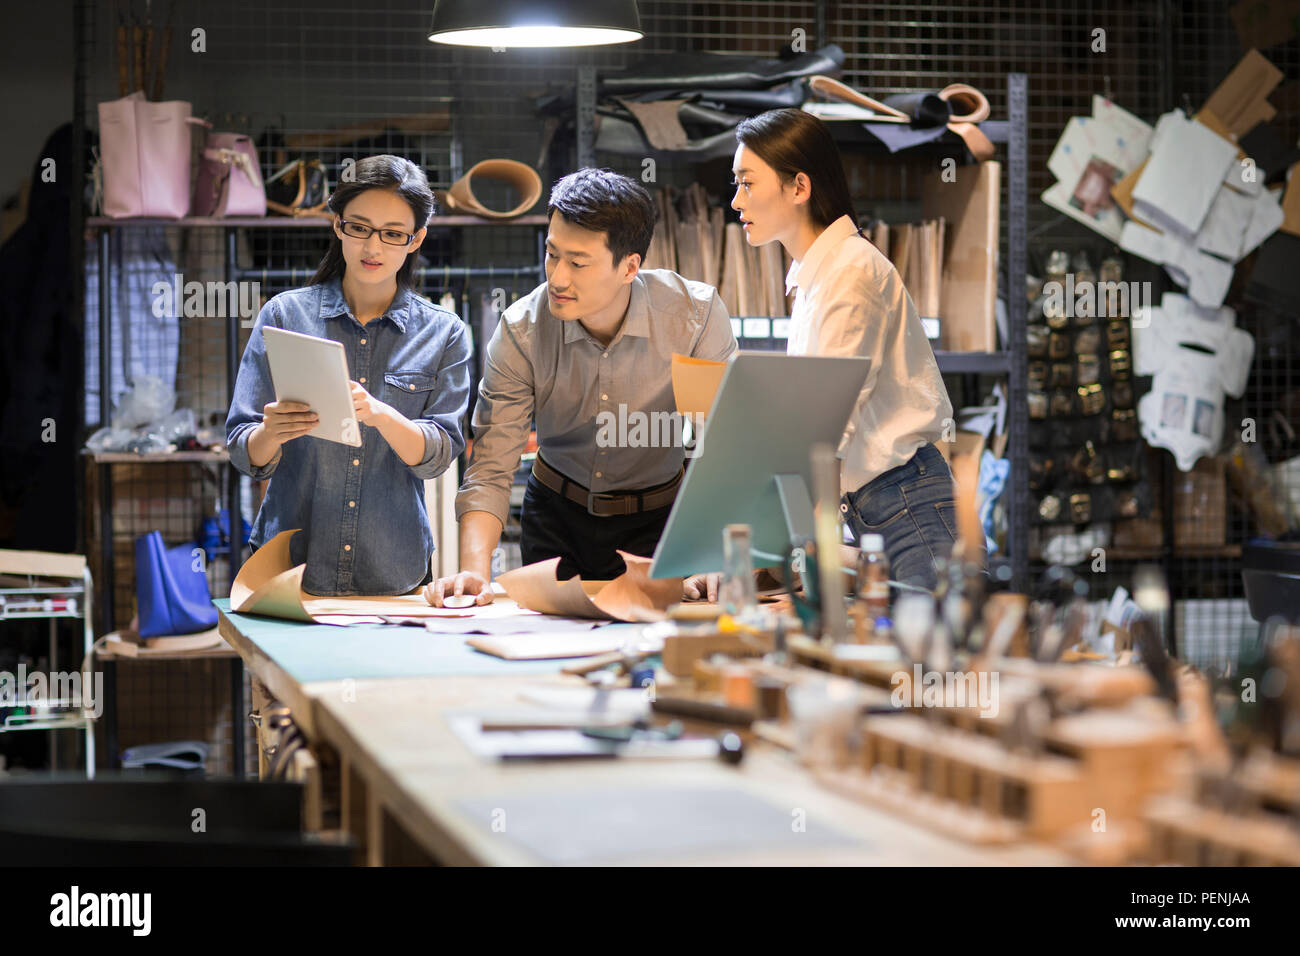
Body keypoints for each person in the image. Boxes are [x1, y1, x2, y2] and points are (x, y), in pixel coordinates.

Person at [428, 168, 736, 606]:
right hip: (556, 517)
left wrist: (712, 550)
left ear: (630, 266)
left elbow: (722, 447)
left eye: (578, 262)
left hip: (659, 523)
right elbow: (492, 466)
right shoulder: (522, 329)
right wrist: (474, 572)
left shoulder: (694, 318)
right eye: (552, 254)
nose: (557, 277)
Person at [732, 109, 958, 590]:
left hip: (905, 501)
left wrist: (804, 545)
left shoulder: (850, 273)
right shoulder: (818, 275)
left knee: (934, 650)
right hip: (879, 501)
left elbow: (828, 426)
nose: (736, 200)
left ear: (799, 187)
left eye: (748, 183)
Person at [226, 155, 470, 596]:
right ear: (338, 225)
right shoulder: (284, 315)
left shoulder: (444, 332)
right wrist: (270, 432)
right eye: (359, 227)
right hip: (290, 568)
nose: (373, 248)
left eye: (393, 234)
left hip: (392, 568)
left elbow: (440, 454)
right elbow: (244, 450)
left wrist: (380, 415)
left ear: (416, 240)